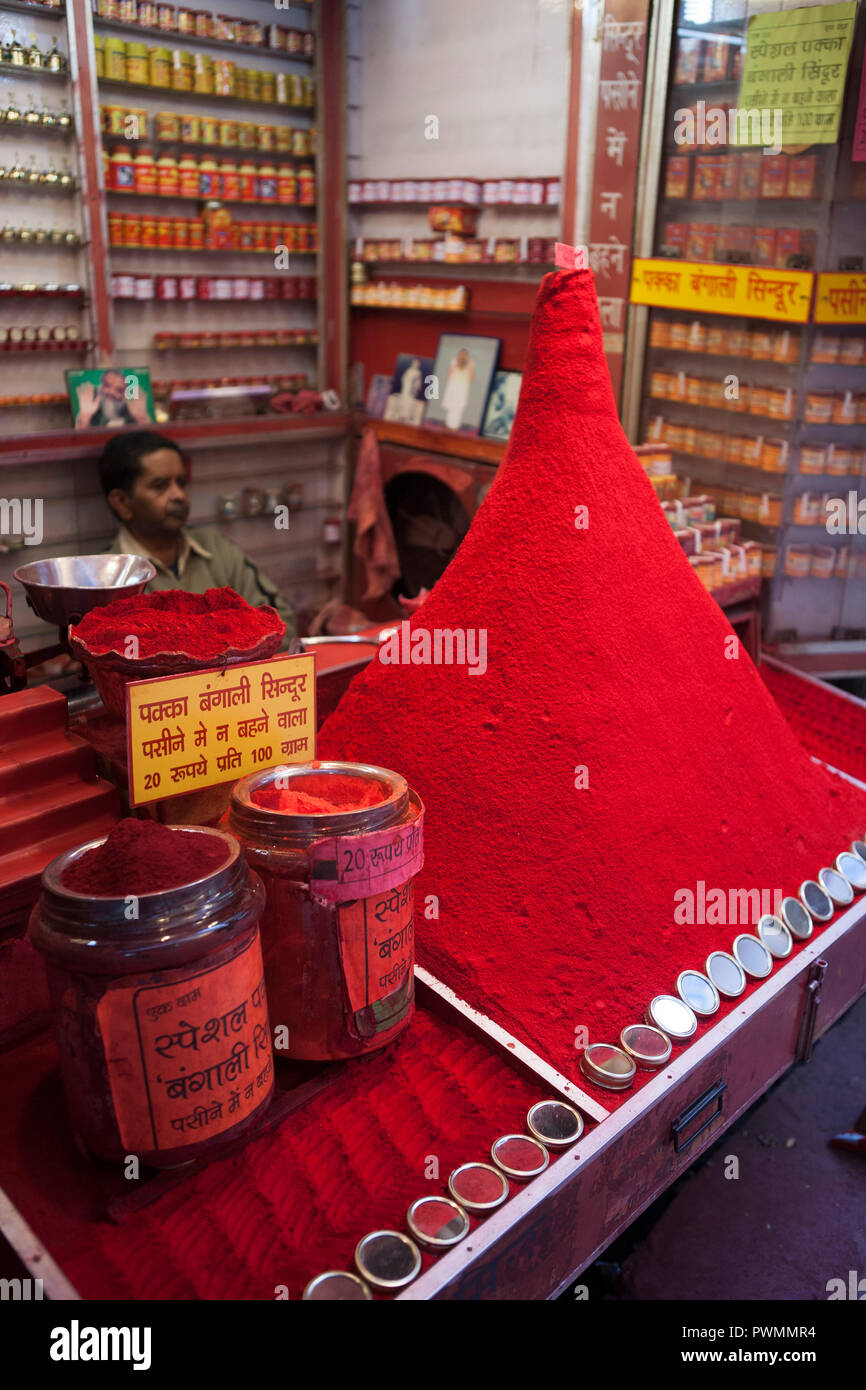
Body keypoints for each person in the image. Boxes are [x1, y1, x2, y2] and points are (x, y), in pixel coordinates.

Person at [98, 430, 296, 641]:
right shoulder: (106, 581)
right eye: (160, 486)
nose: (179, 495)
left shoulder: (216, 548)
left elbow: (282, 626)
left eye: (181, 483)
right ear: (122, 503)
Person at [75, 370, 152, 429]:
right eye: (107, 385)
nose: (111, 392)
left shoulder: (132, 410)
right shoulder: (88, 408)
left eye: (119, 390)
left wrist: (141, 418)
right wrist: (85, 417)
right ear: (101, 385)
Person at [441, 348, 475, 430]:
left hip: (462, 387)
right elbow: (448, 376)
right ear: (459, 355)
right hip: (454, 386)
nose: (463, 356)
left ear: (466, 356)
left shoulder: (469, 365)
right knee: (452, 405)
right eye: (462, 354)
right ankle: (448, 424)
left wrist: (471, 366)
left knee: (459, 406)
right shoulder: (455, 363)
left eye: (465, 355)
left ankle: (455, 426)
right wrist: (452, 365)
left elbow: (471, 378)